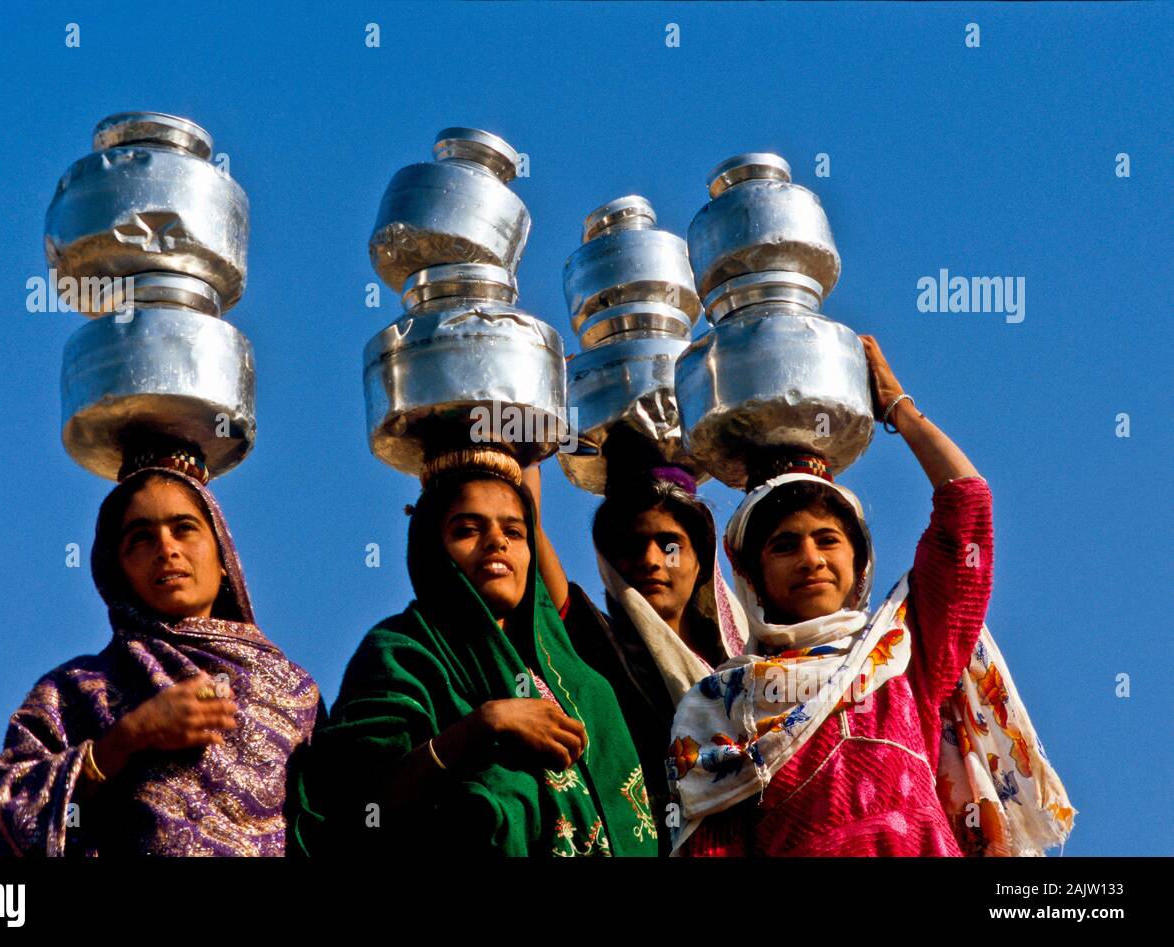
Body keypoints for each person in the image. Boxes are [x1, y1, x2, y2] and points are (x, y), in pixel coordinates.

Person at [665, 335, 1074, 856]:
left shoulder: (903, 655)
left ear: (859, 563)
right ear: (751, 575)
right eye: (785, 546)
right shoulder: (720, 710)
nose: (811, 559)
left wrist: (898, 407)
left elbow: (968, 508)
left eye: (828, 540)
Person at [288, 447, 657, 857]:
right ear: (432, 547)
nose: (497, 542)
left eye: (515, 532)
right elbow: (353, 807)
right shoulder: (401, 654)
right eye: (467, 530)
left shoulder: (584, 684)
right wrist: (483, 725)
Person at [0, 453, 321, 856]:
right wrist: (127, 739)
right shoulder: (77, 690)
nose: (166, 548)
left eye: (185, 528)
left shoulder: (291, 689)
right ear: (118, 571)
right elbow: (8, 813)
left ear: (224, 557)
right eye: (140, 538)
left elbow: (331, 822)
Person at [524, 462, 746, 855]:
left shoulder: (748, 660)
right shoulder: (601, 646)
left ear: (701, 561)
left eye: (670, 545)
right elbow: (531, 528)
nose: (650, 559)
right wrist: (526, 445)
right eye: (630, 546)